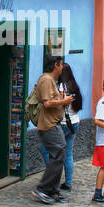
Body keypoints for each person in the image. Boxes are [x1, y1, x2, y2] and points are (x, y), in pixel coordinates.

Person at [31, 56, 74, 205]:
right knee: (58, 155)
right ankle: (43, 188)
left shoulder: (50, 81)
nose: (62, 68)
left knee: (59, 154)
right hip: (48, 125)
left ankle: (52, 190)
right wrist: (64, 101)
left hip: (53, 123)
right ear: (56, 65)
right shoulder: (47, 80)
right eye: (61, 65)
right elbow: (47, 103)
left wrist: (61, 99)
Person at [40, 61, 83, 193]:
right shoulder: (74, 86)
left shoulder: (60, 87)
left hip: (63, 124)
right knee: (68, 154)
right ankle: (68, 183)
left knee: (47, 151)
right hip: (75, 122)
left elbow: (56, 105)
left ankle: (53, 179)